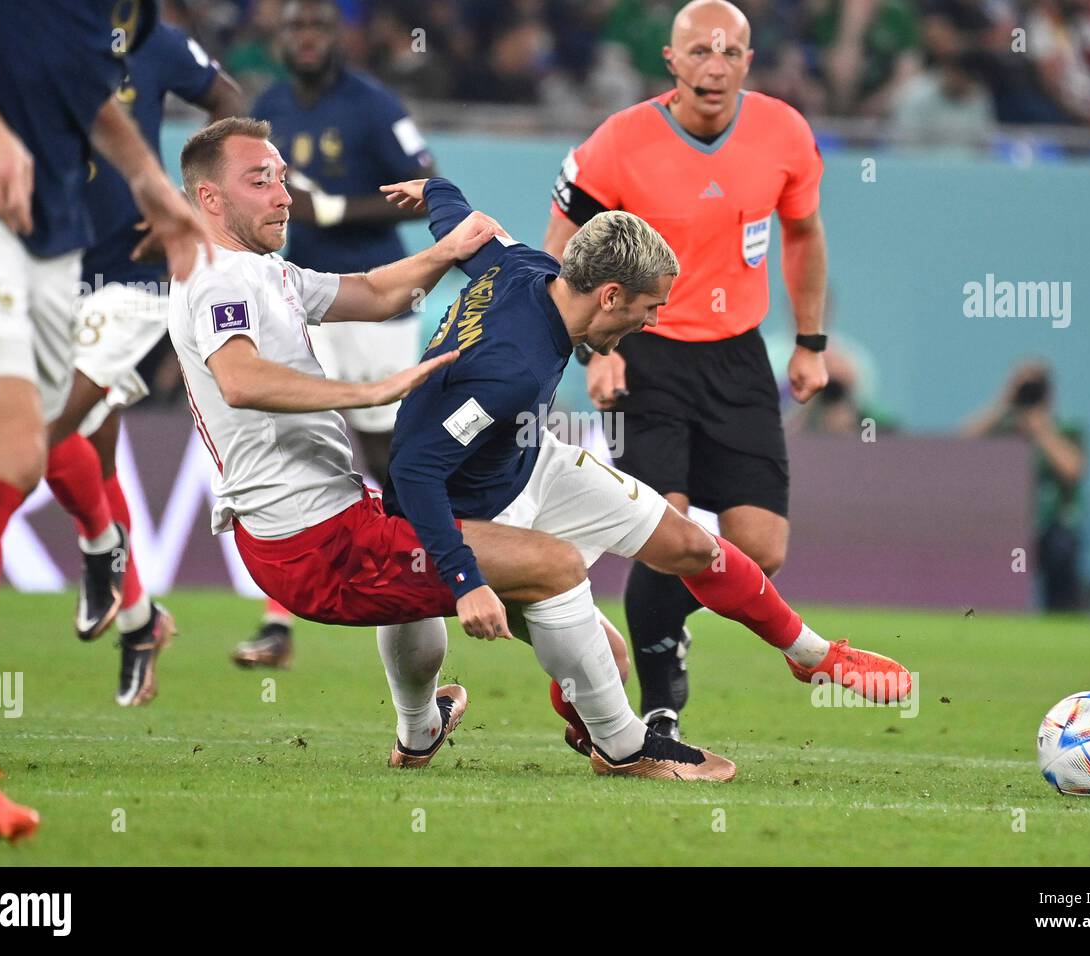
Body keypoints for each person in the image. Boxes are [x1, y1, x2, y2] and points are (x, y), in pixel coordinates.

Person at [166, 118, 737, 781]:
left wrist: (447, 248)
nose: (283, 195)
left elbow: (380, 295)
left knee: (422, 556)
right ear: (209, 198)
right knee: (552, 565)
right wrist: (370, 392)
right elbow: (239, 381)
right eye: (259, 180)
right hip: (311, 540)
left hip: (326, 521)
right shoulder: (215, 280)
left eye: (283, 178)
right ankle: (626, 747)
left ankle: (420, 729)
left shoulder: (263, 274)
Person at [381, 176, 910, 764]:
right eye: (650, 306)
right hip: (473, 510)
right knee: (609, 659)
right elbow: (414, 469)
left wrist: (436, 189)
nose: (653, 322)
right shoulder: (512, 369)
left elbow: (465, 228)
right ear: (609, 295)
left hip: (527, 458)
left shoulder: (524, 264)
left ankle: (814, 656)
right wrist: (464, 579)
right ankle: (599, 745)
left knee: (691, 545)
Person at [0, 0, 211, 841]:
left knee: (41, 445)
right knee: (3, 449)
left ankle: (108, 571)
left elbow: (77, 72)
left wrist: (149, 179)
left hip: (53, 226)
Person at [543, 0, 829, 742]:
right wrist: (594, 350)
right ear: (671, 62)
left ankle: (659, 627)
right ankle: (656, 703)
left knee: (762, 549)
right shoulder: (619, 142)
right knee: (664, 530)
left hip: (739, 356)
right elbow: (562, 243)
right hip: (645, 350)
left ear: (748, 64)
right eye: (699, 51)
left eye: (731, 52)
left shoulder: (784, 134)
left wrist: (811, 340)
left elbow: (803, 234)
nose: (715, 65)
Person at [41, 17, 244, 705]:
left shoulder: (157, 43)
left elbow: (226, 96)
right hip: (51, 260)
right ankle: (138, 618)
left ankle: (103, 558)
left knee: (52, 420)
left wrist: (194, 202)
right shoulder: (41, 32)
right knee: (86, 456)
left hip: (133, 273)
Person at [239, 0, 437, 668]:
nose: (306, 39)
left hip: (369, 298)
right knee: (293, 445)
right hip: (293, 297)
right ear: (280, 36)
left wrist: (339, 208)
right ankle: (276, 623)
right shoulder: (267, 109)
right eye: (295, 27)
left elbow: (427, 183)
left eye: (318, 28)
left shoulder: (373, 106)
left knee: (384, 451)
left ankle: (421, 569)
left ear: (337, 37)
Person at [961, 361, 1087, 611]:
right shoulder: (1003, 430)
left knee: (1062, 548)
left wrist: (1042, 431)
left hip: (1051, 526)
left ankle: (1063, 614)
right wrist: (1003, 404)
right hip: (1003, 526)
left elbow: (1073, 470)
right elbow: (960, 446)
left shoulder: (1066, 429)